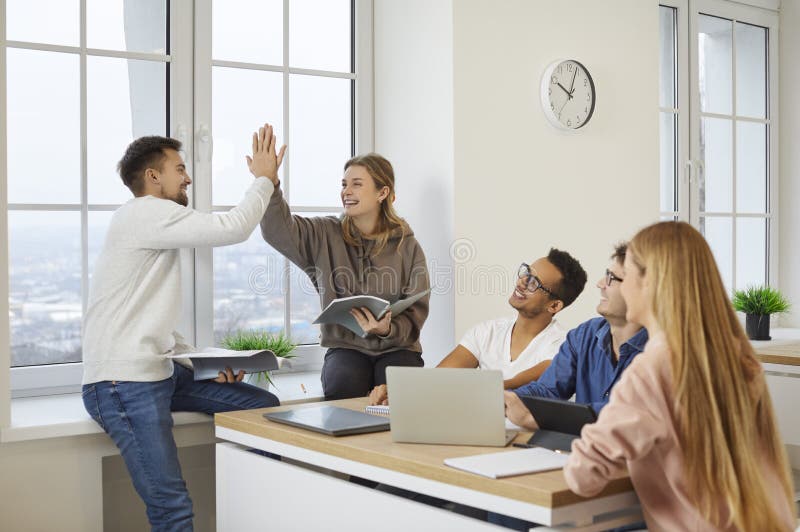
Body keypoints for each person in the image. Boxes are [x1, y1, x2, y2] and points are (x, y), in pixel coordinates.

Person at [82, 124, 286, 532]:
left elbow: (153, 327)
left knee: (262, 409)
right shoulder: (144, 212)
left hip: (158, 374)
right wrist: (264, 178)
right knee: (172, 509)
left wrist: (205, 366)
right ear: (152, 177)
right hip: (123, 384)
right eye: (179, 168)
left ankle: (254, 509)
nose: (188, 177)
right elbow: (232, 228)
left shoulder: (150, 224)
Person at [564, 221, 797, 531]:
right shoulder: (735, 357)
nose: (613, 284)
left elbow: (584, 475)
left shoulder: (653, 369)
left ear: (651, 282)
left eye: (626, 275)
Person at [261, 153, 430, 399]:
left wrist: (386, 329)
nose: (346, 191)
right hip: (346, 348)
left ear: (382, 193)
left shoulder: (408, 246)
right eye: (344, 184)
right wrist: (270, 183)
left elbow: (417, 310)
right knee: (344, 383)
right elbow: (278, 231)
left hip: (398, 346)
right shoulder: (325, 234)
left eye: (356, 184)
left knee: (400, 392)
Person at [368, 248, 587, 406]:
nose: (522, 282)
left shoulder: (563, 346)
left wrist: (469, 389)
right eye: (526, 273)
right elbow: (439, 379)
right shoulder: (487, 332)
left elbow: (514, 385)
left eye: (533, 283)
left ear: (554, 305)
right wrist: (400, 391)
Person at [503, 243, 648, 428]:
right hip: (580, 451)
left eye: (611, 278)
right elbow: (547, 390)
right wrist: (507, 399)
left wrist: (533, 419)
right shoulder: (584, 336)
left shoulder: (661, 352)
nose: (600, 284)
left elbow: (625, 416)